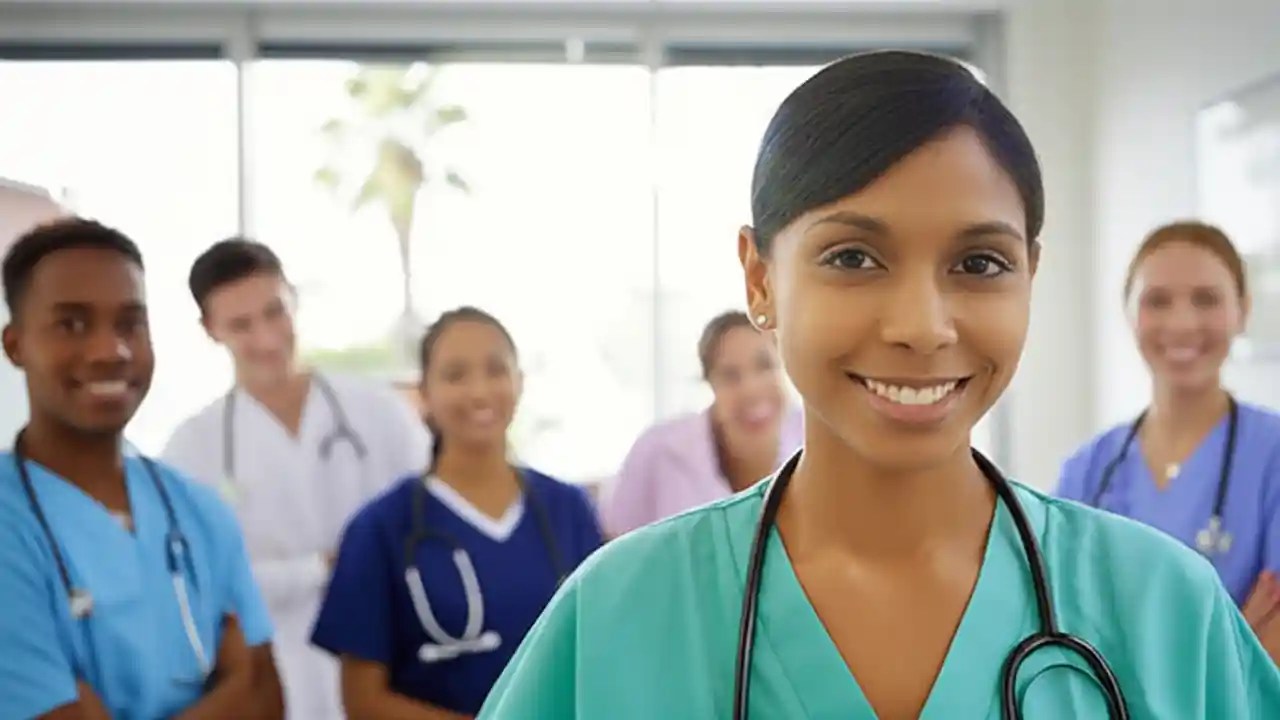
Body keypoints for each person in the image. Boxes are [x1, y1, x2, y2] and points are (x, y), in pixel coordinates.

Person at [478, 51, 1280, 719]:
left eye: (979, 264)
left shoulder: (1166, 610)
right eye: (854, 258)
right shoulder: (620, 616)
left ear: (1030, 274)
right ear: (759, 280)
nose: (923, 326)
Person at [0, 218, 283, 719]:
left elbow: (268, 698)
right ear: (15, 345)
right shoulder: (11, 522)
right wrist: (232, 690)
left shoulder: (198, 510)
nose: (112, 351)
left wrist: (250, 689)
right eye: (72, 324)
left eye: (130, 323)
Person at [161, 238, 431, 720]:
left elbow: (429, 524)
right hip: (276, 675)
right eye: (241, 325)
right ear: (209, 330)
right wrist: (320, 569)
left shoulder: (377, 411)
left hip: (391, 663)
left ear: (294, 299)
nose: (266, 339)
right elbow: (203, 584)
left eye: (274, 312)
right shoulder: (192, 448)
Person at [311, 306, 604, 719]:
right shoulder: (380, 529)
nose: (479, 391)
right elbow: (363, 702)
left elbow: (601, 649)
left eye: (496, 370)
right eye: (455, 375)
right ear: (424, 395)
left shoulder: (568, 509)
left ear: (519, 382)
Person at [1056, 221, 1280, 663]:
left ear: (1243, 311)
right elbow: (1057, 634)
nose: (1181, 323)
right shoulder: (1087, 470)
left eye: (1206, 299)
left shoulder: (1272, 453)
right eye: (1157, 301)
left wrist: (1124, 656)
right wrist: (1226, 646)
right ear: (1129, 314)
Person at [600, 310, 802, 537]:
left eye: (765, 366)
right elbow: (614, 542)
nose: (750, 389)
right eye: (730, 375)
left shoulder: (821, 441)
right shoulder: (658, 450)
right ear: (710, 383)